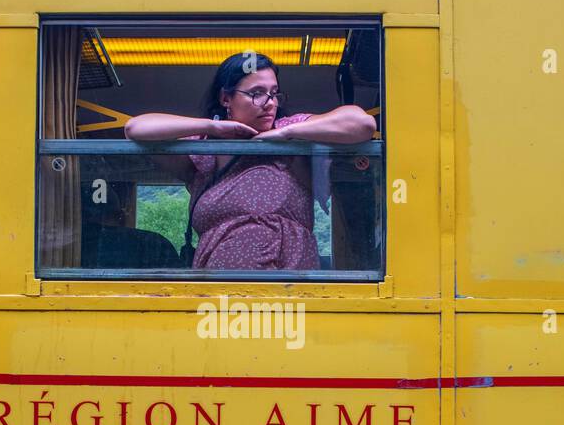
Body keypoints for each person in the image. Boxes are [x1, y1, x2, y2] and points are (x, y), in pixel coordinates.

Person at [123, 52, 375, 270]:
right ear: (225, 99)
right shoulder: (204, 147)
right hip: (219, 300)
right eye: (256, 93)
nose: (269, 104)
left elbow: (361, 124)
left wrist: (285, 133)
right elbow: (137, 128)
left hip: (289, 298)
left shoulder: (292, 131)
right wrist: (214, 126)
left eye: (274, 94)